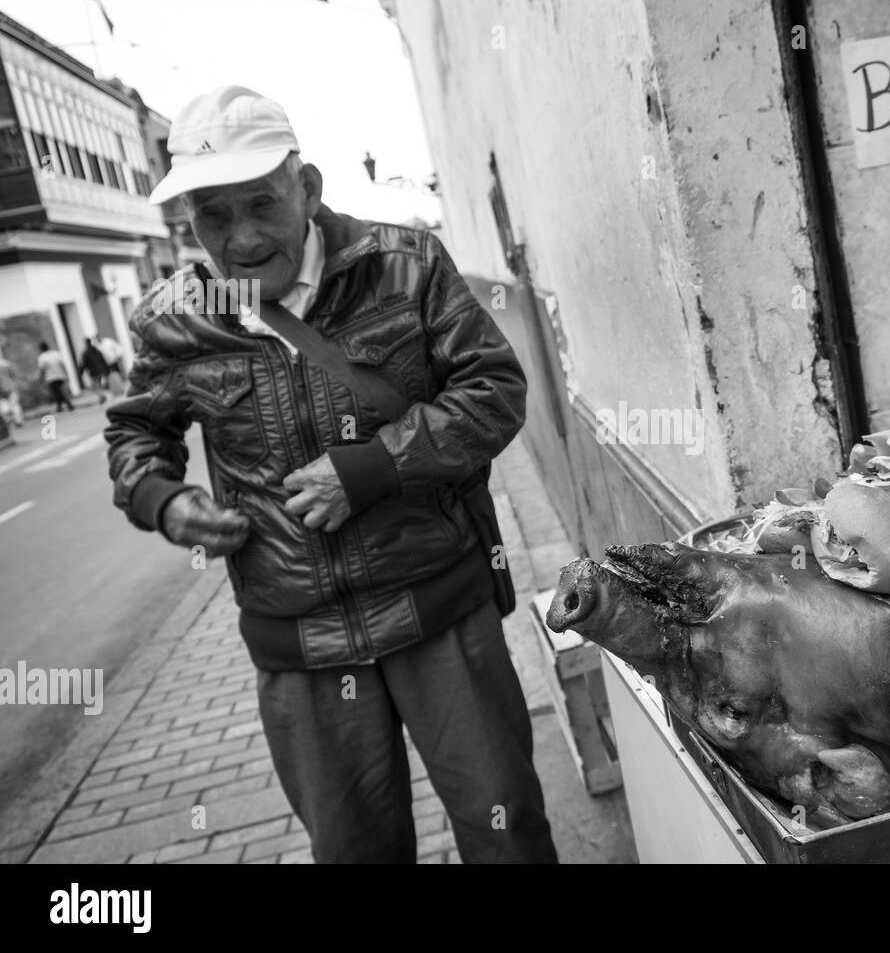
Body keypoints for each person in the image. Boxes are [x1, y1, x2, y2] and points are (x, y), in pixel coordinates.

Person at [104, 86, 556, 864]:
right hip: (300, 643)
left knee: (505, 831)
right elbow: (136, 431)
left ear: (307, 188)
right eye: (213, 214)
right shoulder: (172, 321)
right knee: (352, 852)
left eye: (260, 205)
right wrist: (163, 499)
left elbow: (495, 391)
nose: (240, 239)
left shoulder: (403, 266)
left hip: (439, 610)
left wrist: (377, 465)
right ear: (188, 222)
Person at [36, 342, 74, 413]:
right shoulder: (56, 354)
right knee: (58, 391)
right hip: (60, 375)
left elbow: (42, 369)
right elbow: (62, 364)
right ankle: (59, 407)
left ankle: (68, 404)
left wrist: (40, 378)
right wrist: (66, 373)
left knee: (58, 392)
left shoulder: (42, 357)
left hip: (51, 377)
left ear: (41, 349)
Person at [78, 338, 110, 405]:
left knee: (95, 387)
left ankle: (103, 396)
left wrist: (80, 372)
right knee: (99, 385)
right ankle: (102, 398)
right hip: (101, 370)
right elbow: (103, 359)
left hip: (94, 372)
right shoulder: (96, 350)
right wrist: (106, 369)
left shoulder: (86, 353)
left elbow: (84, 363)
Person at [0, 351, 22, 427]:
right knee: (14, 404)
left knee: (3, 404)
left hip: (1, 389)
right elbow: (13, 375)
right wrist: (16, 384)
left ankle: (8, 419)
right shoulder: (6, 363)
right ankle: (18, 420)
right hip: (10, 386)